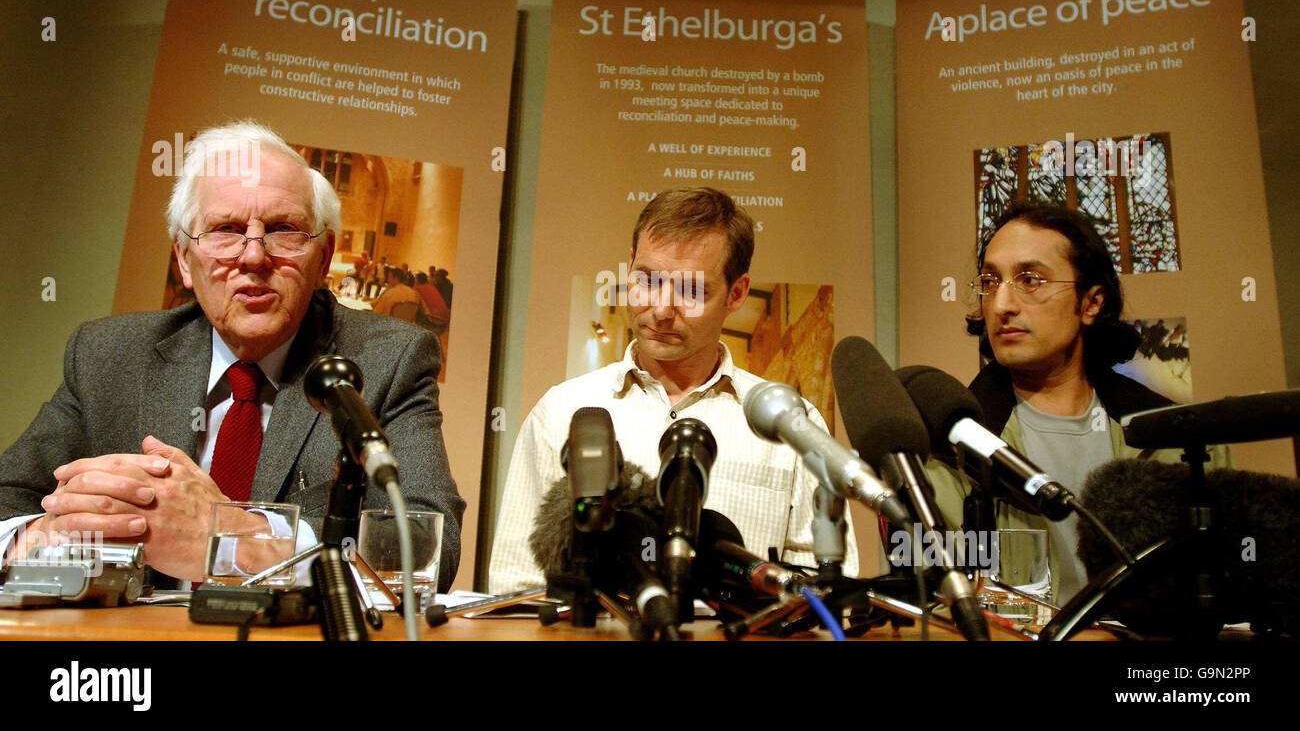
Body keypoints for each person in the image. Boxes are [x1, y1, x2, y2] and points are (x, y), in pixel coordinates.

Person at [0, 120, 464, 589]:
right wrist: (44, 535)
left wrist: (240, 538)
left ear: (323, 260)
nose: (254, 257)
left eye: (284, 230)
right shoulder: (108, 355)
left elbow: (428, 546)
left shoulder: (388, 359)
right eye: (226, 229)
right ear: (183, 259)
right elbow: (7, 497)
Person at [488, 187, 857, 593]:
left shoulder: (792, 427)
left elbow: (824, 598)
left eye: (691, 290)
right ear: (628, 266)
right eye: (646, 280)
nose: (662, 309)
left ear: (736, 293)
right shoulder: (560, 412)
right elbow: (515, 586)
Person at [925, 203, 1228, 603]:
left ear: (1091, 303)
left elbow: (1217, 590)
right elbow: (931, 605)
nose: (1001, 305)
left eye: (1030, 280)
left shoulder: (1178, 441)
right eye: (990, 281)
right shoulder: (946, 453)